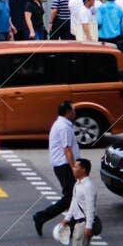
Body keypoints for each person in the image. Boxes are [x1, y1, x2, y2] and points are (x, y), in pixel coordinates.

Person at [62, 158, 116, 246]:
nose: (73, 168)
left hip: (84, 222)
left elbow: (91, 207)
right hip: (79, 222)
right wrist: (67, 218)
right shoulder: (78, 184)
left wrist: (89, 226)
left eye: (76, 166)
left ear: (83, 170)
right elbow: (74, 203)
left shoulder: (88, 186)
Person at [31, 101, 81, 237]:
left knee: (73, 197)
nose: (75, 113)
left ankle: (71, 227)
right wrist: (74, 168)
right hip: (64, 166)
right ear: (68, 112)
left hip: (62, 165)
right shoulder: (64, 127)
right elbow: (67, 149)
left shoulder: (61, 124)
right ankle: (41, 216)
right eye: (74, 110)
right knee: (70, 197)